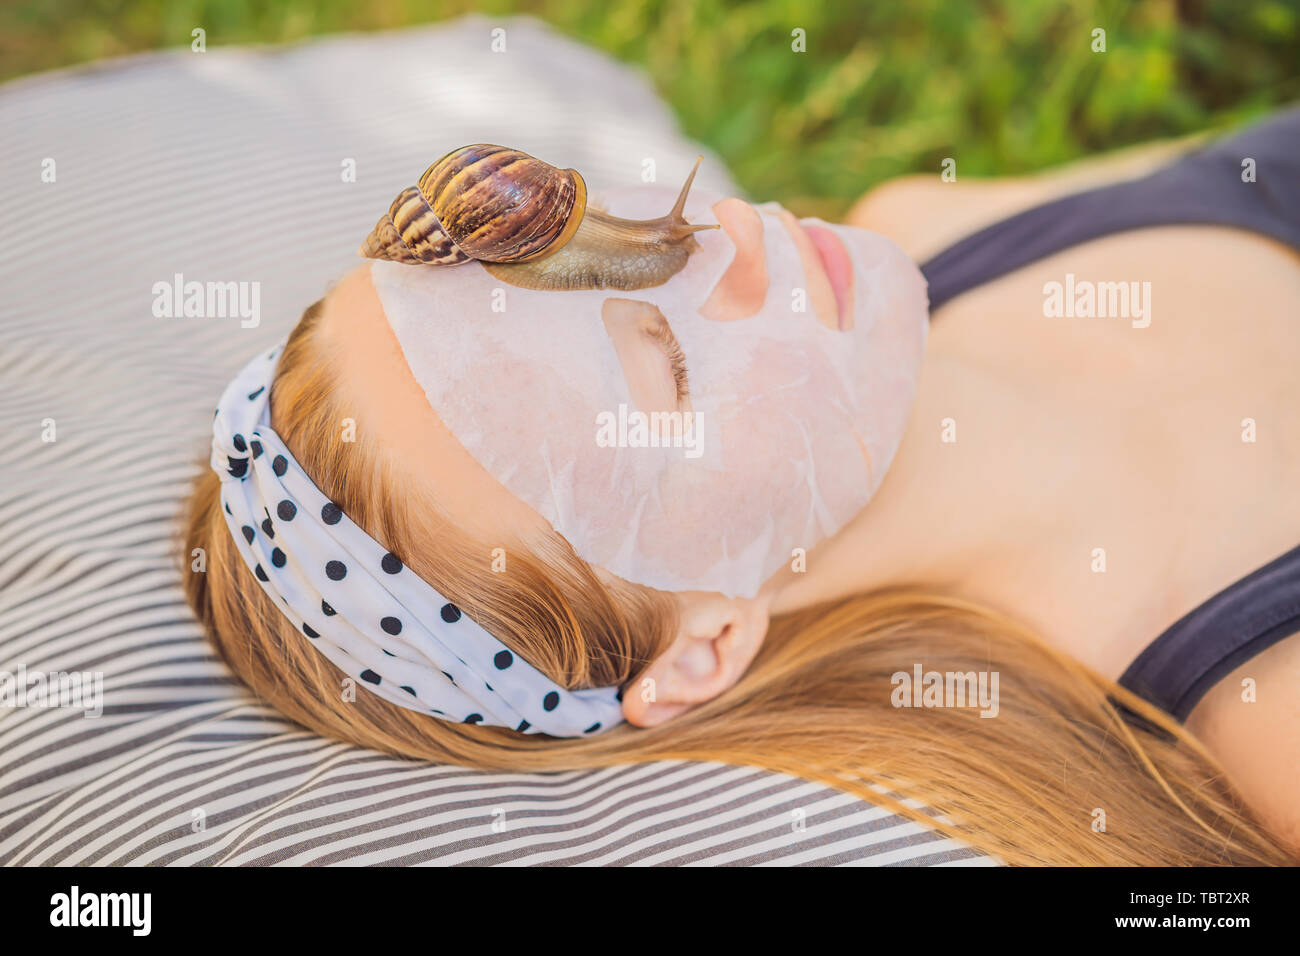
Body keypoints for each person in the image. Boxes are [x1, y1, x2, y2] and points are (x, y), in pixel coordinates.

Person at [184, 110, 1300, 865]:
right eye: (670, 366)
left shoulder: (928, 221)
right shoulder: (1270, 723)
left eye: (581, 234)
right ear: (701, 649)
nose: (728, 241)